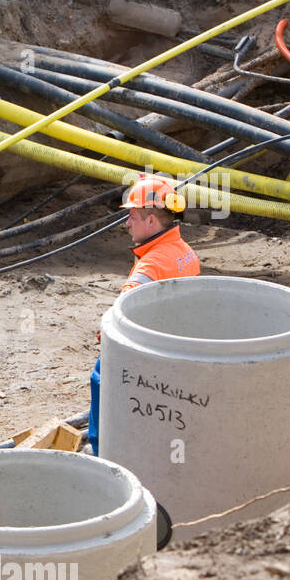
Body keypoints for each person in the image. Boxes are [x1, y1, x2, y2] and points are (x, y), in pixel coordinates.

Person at [87, 175, 200, 454]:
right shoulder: (186, 252)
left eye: (133, 217)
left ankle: (103, 450)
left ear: (151, 222)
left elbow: (123, 314)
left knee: (103, 373)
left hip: (153, 349)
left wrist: (107, 332)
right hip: (181, 343)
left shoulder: (150, 265)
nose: (127, 223)